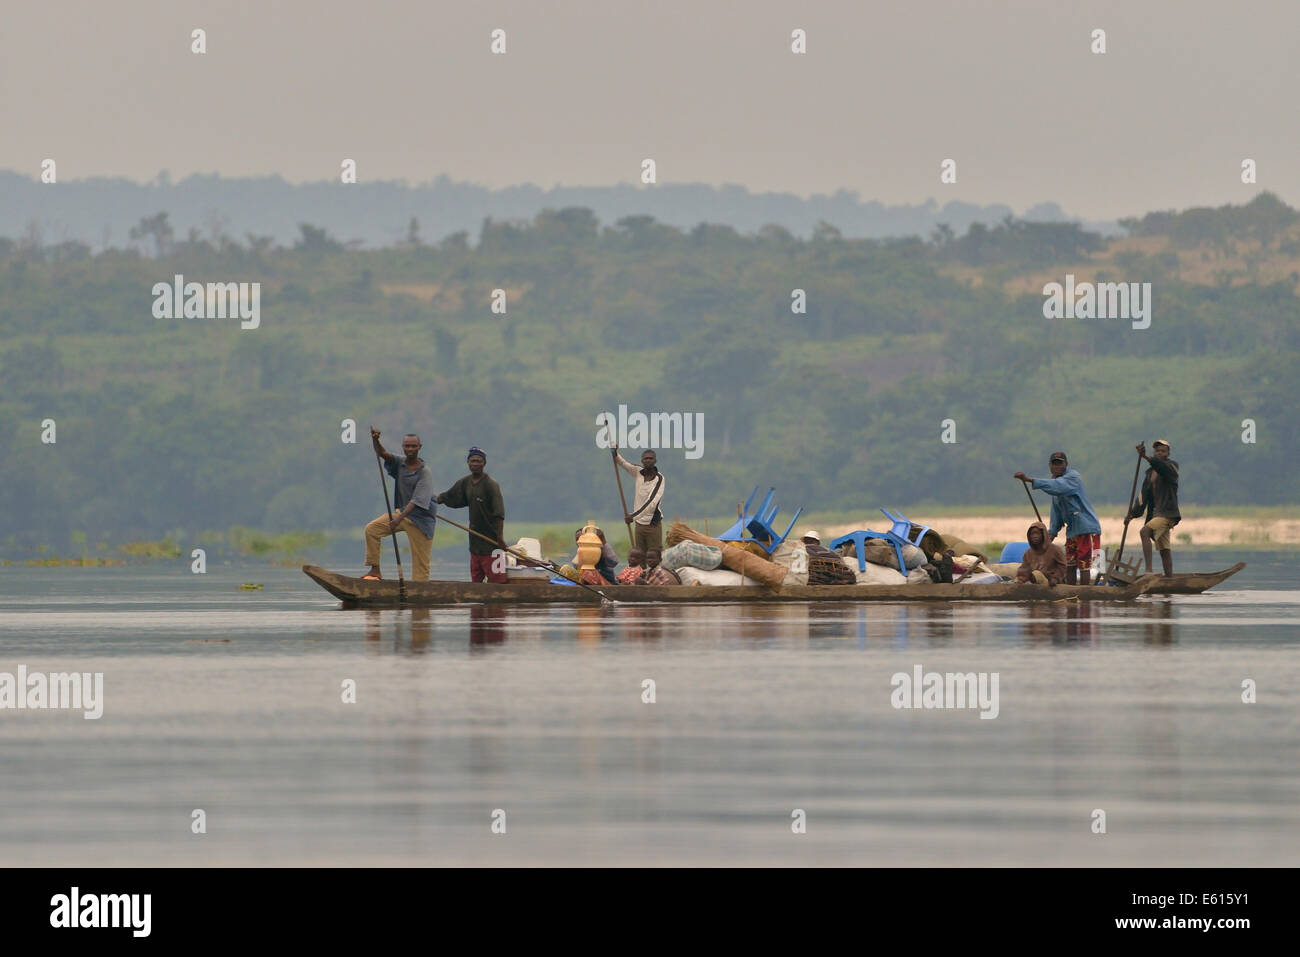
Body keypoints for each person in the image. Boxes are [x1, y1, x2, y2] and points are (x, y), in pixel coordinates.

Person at [1014, 451, 1102, 585]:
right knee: (1070, 563)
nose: (1057, 467)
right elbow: (1056, 514)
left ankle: (1083, 595)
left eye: (1060, 464)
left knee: (1083, 564)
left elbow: (1058, 487)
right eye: (1054, 464)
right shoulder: (1055, 489)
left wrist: (1030, 480)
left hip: (1086, 528)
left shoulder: (1073, 478)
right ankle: (1070, 593)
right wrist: (1050, 535)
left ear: (1066, 465)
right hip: (1072, 531)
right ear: (1050, 465)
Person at [363, 428, 437, 581]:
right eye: (407, 446)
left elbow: (416, 501)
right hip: (402, 514)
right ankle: (375, 570)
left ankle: (419, 591)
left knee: (421, 568)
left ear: (419, 447)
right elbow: (383, 454)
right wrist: (375, 440)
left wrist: (397, 519)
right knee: (372, 529)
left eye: (413, 446)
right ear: (403, 447)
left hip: (421, 521)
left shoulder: (425, 472)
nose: (410, 449)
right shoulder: (400, 462)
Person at [436, 447, 506, 583]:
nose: (475, 464)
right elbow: (448, 496)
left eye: (479, 461)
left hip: (491, 541)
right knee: (476, 580)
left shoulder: (491, 485)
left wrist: (500, 538)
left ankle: (497, 604)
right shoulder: (465, 482)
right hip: (474, 539)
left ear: (484, 463)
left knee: (497, 581)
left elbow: (499, 514)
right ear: (468, 463)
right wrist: (427, 503)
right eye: (472, 461)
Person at [1128, 439, 1181, 576]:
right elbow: (1142, 497)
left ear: (1168, 453)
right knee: (1164, 548)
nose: (1159, 453)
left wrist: (1146, 457)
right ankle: (1169, 579)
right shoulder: (1149, 473)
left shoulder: (1172, 467)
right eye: (1157, 451)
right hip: (1156, 515)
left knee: (1144, 532)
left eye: (1163, 451)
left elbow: (1162, 468)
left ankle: (1149, 571)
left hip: (1168, 513)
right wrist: (1132, 515)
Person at [613, 443, 665, 554]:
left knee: (654, 556)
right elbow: (622, 463)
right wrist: (615, 452)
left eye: (651, 458)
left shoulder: (659, 479)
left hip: (653, 525)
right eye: (646, 459)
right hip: (639, 525)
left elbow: (651, 503)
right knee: (639, 556)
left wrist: (633, 516)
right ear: (642, 461)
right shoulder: (638, 472)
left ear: (655, 461)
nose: (648, 461)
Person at [1015, 521, 1068, 586]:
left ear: (1043, 535)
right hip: (1034, 583)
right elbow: (1024, 568)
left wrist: (1055, 578)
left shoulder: (1055, 550)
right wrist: (1022, 577)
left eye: (1037, 533)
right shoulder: (1028, 553)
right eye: (1032, 534)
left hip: (1052, 583)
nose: (1035, 536)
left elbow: (1063, 566)